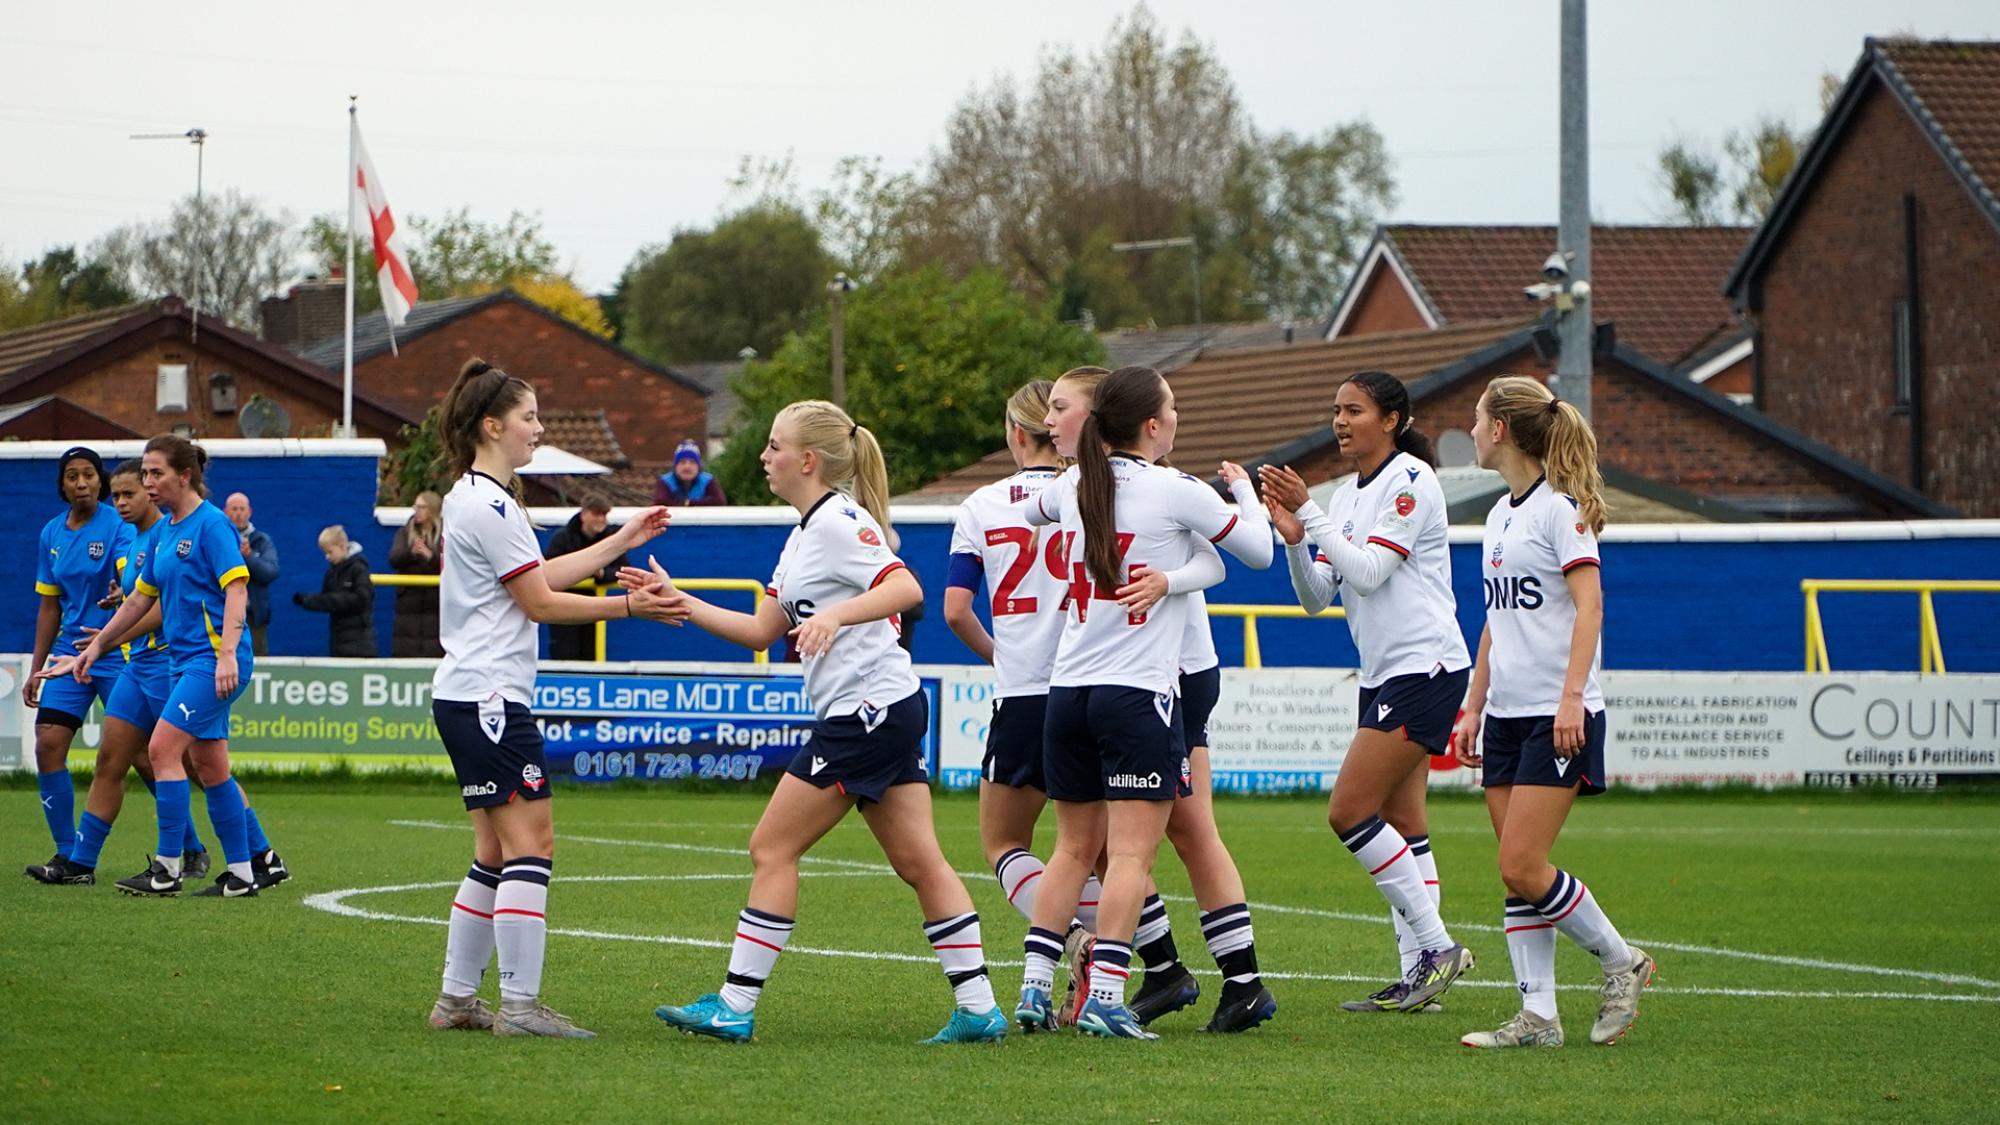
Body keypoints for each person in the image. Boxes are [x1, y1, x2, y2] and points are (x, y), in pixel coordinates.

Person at [626, 400, 1007, 1046]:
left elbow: (906, 588)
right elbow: (760, 629)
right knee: (922, 862)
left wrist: (838, 615)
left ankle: (734, 1004)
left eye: (773, 445)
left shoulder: (837, 521)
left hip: (867, 713)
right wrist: (681, 600)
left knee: (771, 847)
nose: (762, 455)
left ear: (808, 459)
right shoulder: (804, 532)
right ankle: (978, 1008)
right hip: (882, 709)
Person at [423, 357, 684, 1039]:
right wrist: (632, 607)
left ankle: (457, 1000)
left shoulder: (472, 496)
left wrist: (619, 540)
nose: (538, 428)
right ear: (492, 424)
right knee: (532, 844)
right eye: (530, 417)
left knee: (494, 850)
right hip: (489, 697)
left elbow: (532, 574)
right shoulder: (491, 501)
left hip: (468, 692)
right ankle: (520, 1006)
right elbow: (537, 600)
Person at [1014, 365, 1274, 1040]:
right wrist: (1243, 493)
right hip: (1138, 691)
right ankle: (1111, 993)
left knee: (1073, 848)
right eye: (1173, 407)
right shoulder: (1173, 489)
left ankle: (1036, 988)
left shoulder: (1073, 484)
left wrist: (1172, 575)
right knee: (1135, 853)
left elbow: (1033, 507)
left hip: (1067, 688)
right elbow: (1256, 552)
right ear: (1152, 425)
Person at [1258, 371, 1476, 1014]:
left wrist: (1310, 513)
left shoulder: (1411, 481)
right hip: (1387, 672)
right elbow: (1315, 597)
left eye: (1353, 409)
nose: (1340, 420)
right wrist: (1298, 539)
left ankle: (1437, 948)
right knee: (1405, 824)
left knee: (1348, 811)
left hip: (1425, 668)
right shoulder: (1347, 497)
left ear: (1393, 419)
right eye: (1335, 410)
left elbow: (1373, 573)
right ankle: (1420, 982)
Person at [1453, 375, 1653, 1049]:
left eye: (1477, 419)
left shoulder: (1558, 511)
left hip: (1556, 713)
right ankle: (1538, 1016)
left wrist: (1573, 697)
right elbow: (1495, 619)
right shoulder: (1499, 515)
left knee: (1521, 864)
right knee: (1518, 870)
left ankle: (1623, 959)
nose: (1472, 431)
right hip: (1507, 714)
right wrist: (1474, 701)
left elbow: (1590, 607)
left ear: (1502, 429)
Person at [34, 462, 291, 889]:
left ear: (180, 478)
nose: (123, 501)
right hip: (141, 664)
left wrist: (225, 652)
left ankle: (202, 860)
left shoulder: (191, 528)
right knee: (118, 760)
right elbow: (137, 601)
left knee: (190, 761)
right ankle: (82, 861)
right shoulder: (151, 538)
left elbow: (161, 608)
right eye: (117, 495)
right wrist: (96, 645)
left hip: (174, 662)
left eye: (133, 490)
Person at [941, 378, 1108, 996]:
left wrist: (1002, 654)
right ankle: (1155, 963)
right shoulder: (1097, 491)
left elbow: (957, 609)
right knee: (1098, 849)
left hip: (1024, 693)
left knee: (1004, 843)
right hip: (1096, 684)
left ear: (1015, 433)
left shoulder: (982, 505)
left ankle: (1076, 941)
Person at [21, 446, 130, 877]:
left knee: (139, 755)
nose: (81, 482)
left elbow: (131, 571)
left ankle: (189, 846)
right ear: (62, 485)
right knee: (47, 744)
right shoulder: (51, 533)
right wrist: (36, 668)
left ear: (101, 481)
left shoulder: (118, 521)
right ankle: (69, 854)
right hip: (70, 654)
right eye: (72, 476)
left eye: (88, 475)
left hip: (116, 648)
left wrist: (124, 586)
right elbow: (49, 608)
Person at [544, 494, 628, 661]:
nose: (601, 519)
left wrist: (602, 574)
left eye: (604, 515)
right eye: (596, 514)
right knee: (565, 654)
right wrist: (580, 570)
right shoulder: (562, 538)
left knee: (592, 654)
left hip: (596, 608)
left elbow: (624, 569)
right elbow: (549, 570)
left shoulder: (611, 538)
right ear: (584, 515)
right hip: (564, 607)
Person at [294, 525, 377, 658]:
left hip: (361, 642)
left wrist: (330, 600)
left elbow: (362, 599)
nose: (327, 557)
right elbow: (327, 600)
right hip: (338, 640)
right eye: (325, 553)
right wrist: (308, 601)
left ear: (343, 546)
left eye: (330, 552)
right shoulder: (332, 572)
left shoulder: (359, 569)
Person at [387, 491, 444, 658]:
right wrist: (411, 552)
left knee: (433, 648)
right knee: (406, 647)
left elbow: (451, 563)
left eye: (421, 507)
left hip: (435, 602)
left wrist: (429, 555)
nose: (416, 511)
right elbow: (394, 559)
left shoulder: (445, 533)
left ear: (432, 509)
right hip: (409, 602)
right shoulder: (405, 533)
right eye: (415, 507)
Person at [223, 492, 279, 656]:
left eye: (242, 509)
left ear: (249, 512)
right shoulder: (219, 537)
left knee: (256, 658)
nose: (238, 513)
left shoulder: (262, 540)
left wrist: (249, 557)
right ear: (226, 511)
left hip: (254, 616)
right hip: (223, 613)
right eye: (234, 509)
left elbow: (270, 572)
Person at [654, 439, 728, 506]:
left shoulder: (708, 481)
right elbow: (660, 501)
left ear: (698, 466)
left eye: (692, 462)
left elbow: (719, 501)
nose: (687, 467)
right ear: (675, 466)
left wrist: (687, 503)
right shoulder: (665, 481)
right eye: (682, 462)